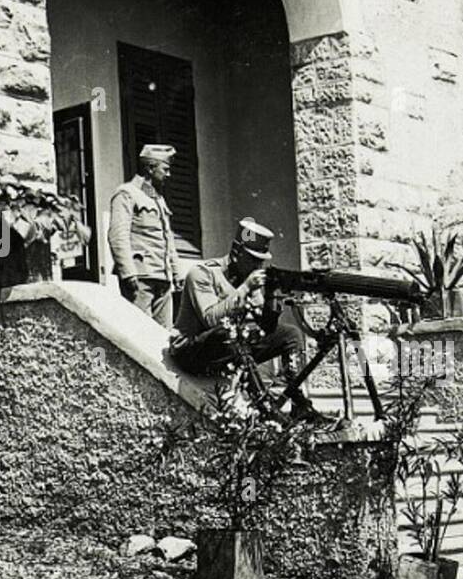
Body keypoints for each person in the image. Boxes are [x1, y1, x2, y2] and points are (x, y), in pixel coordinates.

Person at [169, 217, 323, 421]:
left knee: (290, 334)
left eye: (261, 260)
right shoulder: (203, 273)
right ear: (236, 252)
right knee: (230, 334)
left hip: (229, 349)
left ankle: (298, 402)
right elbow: (210, 319)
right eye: (253, 259)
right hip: (193, 352)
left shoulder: (248, 278)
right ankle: (266, 407)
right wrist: (245, 289)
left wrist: (271, 299)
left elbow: (266, 328)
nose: (258, 265)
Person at [107, 144, 186, 327]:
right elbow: (117, 235)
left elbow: (168, 239)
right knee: (140, 332)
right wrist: (128, 272)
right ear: (150, 168)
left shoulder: (159, 199)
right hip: (140, 277)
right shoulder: (126, 193)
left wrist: (176, 273)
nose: (169, 174)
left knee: (162, 337)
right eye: (165, 169)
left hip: (163, 278)